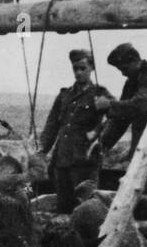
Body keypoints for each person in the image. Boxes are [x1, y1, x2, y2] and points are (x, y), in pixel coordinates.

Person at [93, 43, 147, 199]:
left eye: (124, 69)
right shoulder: (132, 82)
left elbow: (140, 106)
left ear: (135, 61)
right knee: (142, 189)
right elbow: (121, 118)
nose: (123, 74)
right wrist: (103, 144)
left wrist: (109, 105)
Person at [40, 49, 109, 214]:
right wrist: (42, 149)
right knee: (63, 207)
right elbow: (52, 125)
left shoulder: (99, 93)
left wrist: (98, 133)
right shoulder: (64, 95)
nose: (78, 73)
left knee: (86, 208)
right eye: (75, 68)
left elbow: (117, 117)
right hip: (62, 160)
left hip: (84, 162)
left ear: (91, 68)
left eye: (82, 68)